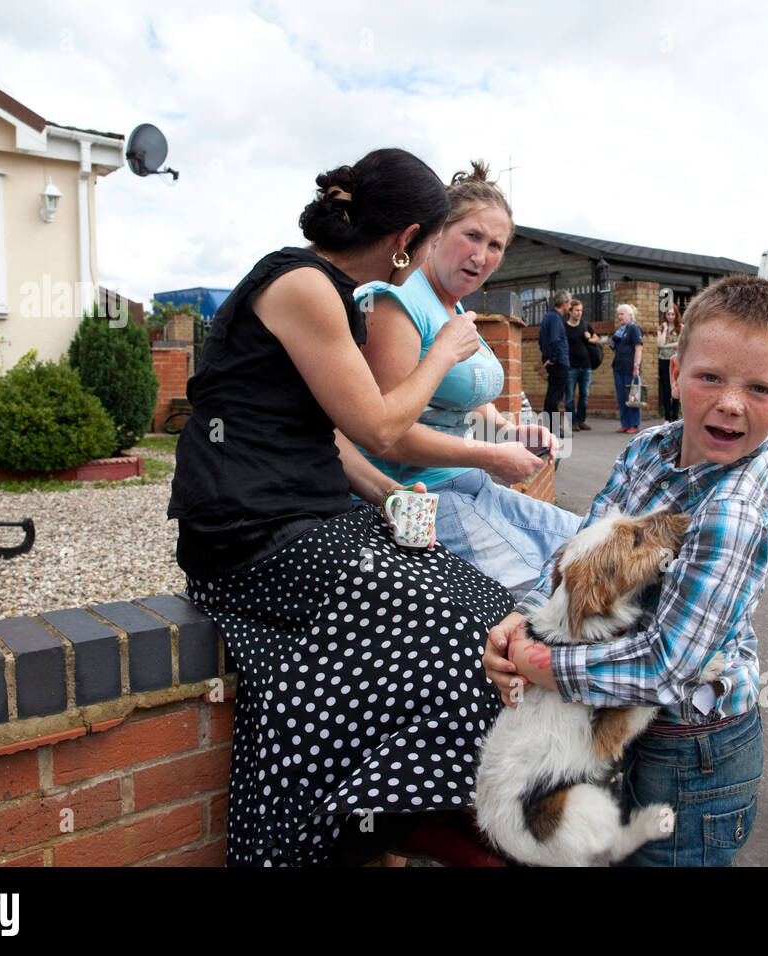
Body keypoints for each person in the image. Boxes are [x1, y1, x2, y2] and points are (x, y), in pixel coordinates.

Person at [167, 148, 514, 867]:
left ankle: (435, 805)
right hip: (249, 535)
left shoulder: (328, 292)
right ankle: (400, 817)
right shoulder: (302, 284)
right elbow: (381, 426)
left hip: (309, 516)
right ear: (406, 240)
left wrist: (392, 497)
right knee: (446, 629)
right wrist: (443, 352)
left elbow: (326, 434)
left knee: (486, 603)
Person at [484, 274, 768, 866]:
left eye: (761, 388)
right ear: (674, 373)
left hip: (695, 750)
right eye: (709, 376)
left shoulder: (731, 512)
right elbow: (577, 555)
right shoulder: (647, 449)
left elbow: (668, 667)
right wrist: (522, 620)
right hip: (616, 719)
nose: (730, 403)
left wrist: (540, 664)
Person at [356, 161, 581, 600]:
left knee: (593, 545)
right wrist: (491, 456)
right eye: (472, 236)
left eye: (495, 244)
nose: (482, 256)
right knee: (555, 594)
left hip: (475, 489)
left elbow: (461, 399)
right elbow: (386, 436)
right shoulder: (397, 303)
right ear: (438, 231)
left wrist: (508, 430)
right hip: (428, 497)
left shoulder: (456, 311)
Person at [564, 298, 599, 431]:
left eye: (581, 310)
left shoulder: (585, 325)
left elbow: (596, 338)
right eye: (577, 310)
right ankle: (572, 422)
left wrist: (589, 338)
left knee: (584, 395)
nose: (579, 313)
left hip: (586, 366)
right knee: (569, 397)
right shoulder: (565, 327)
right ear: (570, 311)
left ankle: (581, 420)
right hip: (571, 367)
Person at [538, 290, 572, 429]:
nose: (569, 306)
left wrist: (546, 357)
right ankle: (553, 428)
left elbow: (541, 340)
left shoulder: (548, 317)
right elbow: (555, 339)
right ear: (564, 303)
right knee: (555, 396)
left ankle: (549, 426)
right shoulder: (555, 318)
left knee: (552, 393)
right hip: (559, 362)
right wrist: (552, 358)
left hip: (554, 361)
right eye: (569, 303)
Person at [610, 302, 644, 433]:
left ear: (630, 315)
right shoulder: (620, 331)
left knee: (632, 397)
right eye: (618, 314)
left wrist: (636, 367)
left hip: (630, 368)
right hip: (618, 368)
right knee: (621, 397)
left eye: (622, 314)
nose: (619, 316)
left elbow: (638, 348)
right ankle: (625, 423)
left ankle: (634, 425)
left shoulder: (634, 328)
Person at [656, 301, 682, 422]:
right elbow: (660, 344)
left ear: (676, 315)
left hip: (676, 360)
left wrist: (667, 345)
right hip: (664, 360)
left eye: (672, 314)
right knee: (666, 388)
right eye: (668, 314)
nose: (670, 316)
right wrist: (665, 329)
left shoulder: (681, 328)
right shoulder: (662, 328)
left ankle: (675, 416)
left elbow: (681, 343)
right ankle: (667, 417)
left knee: (676, 386)